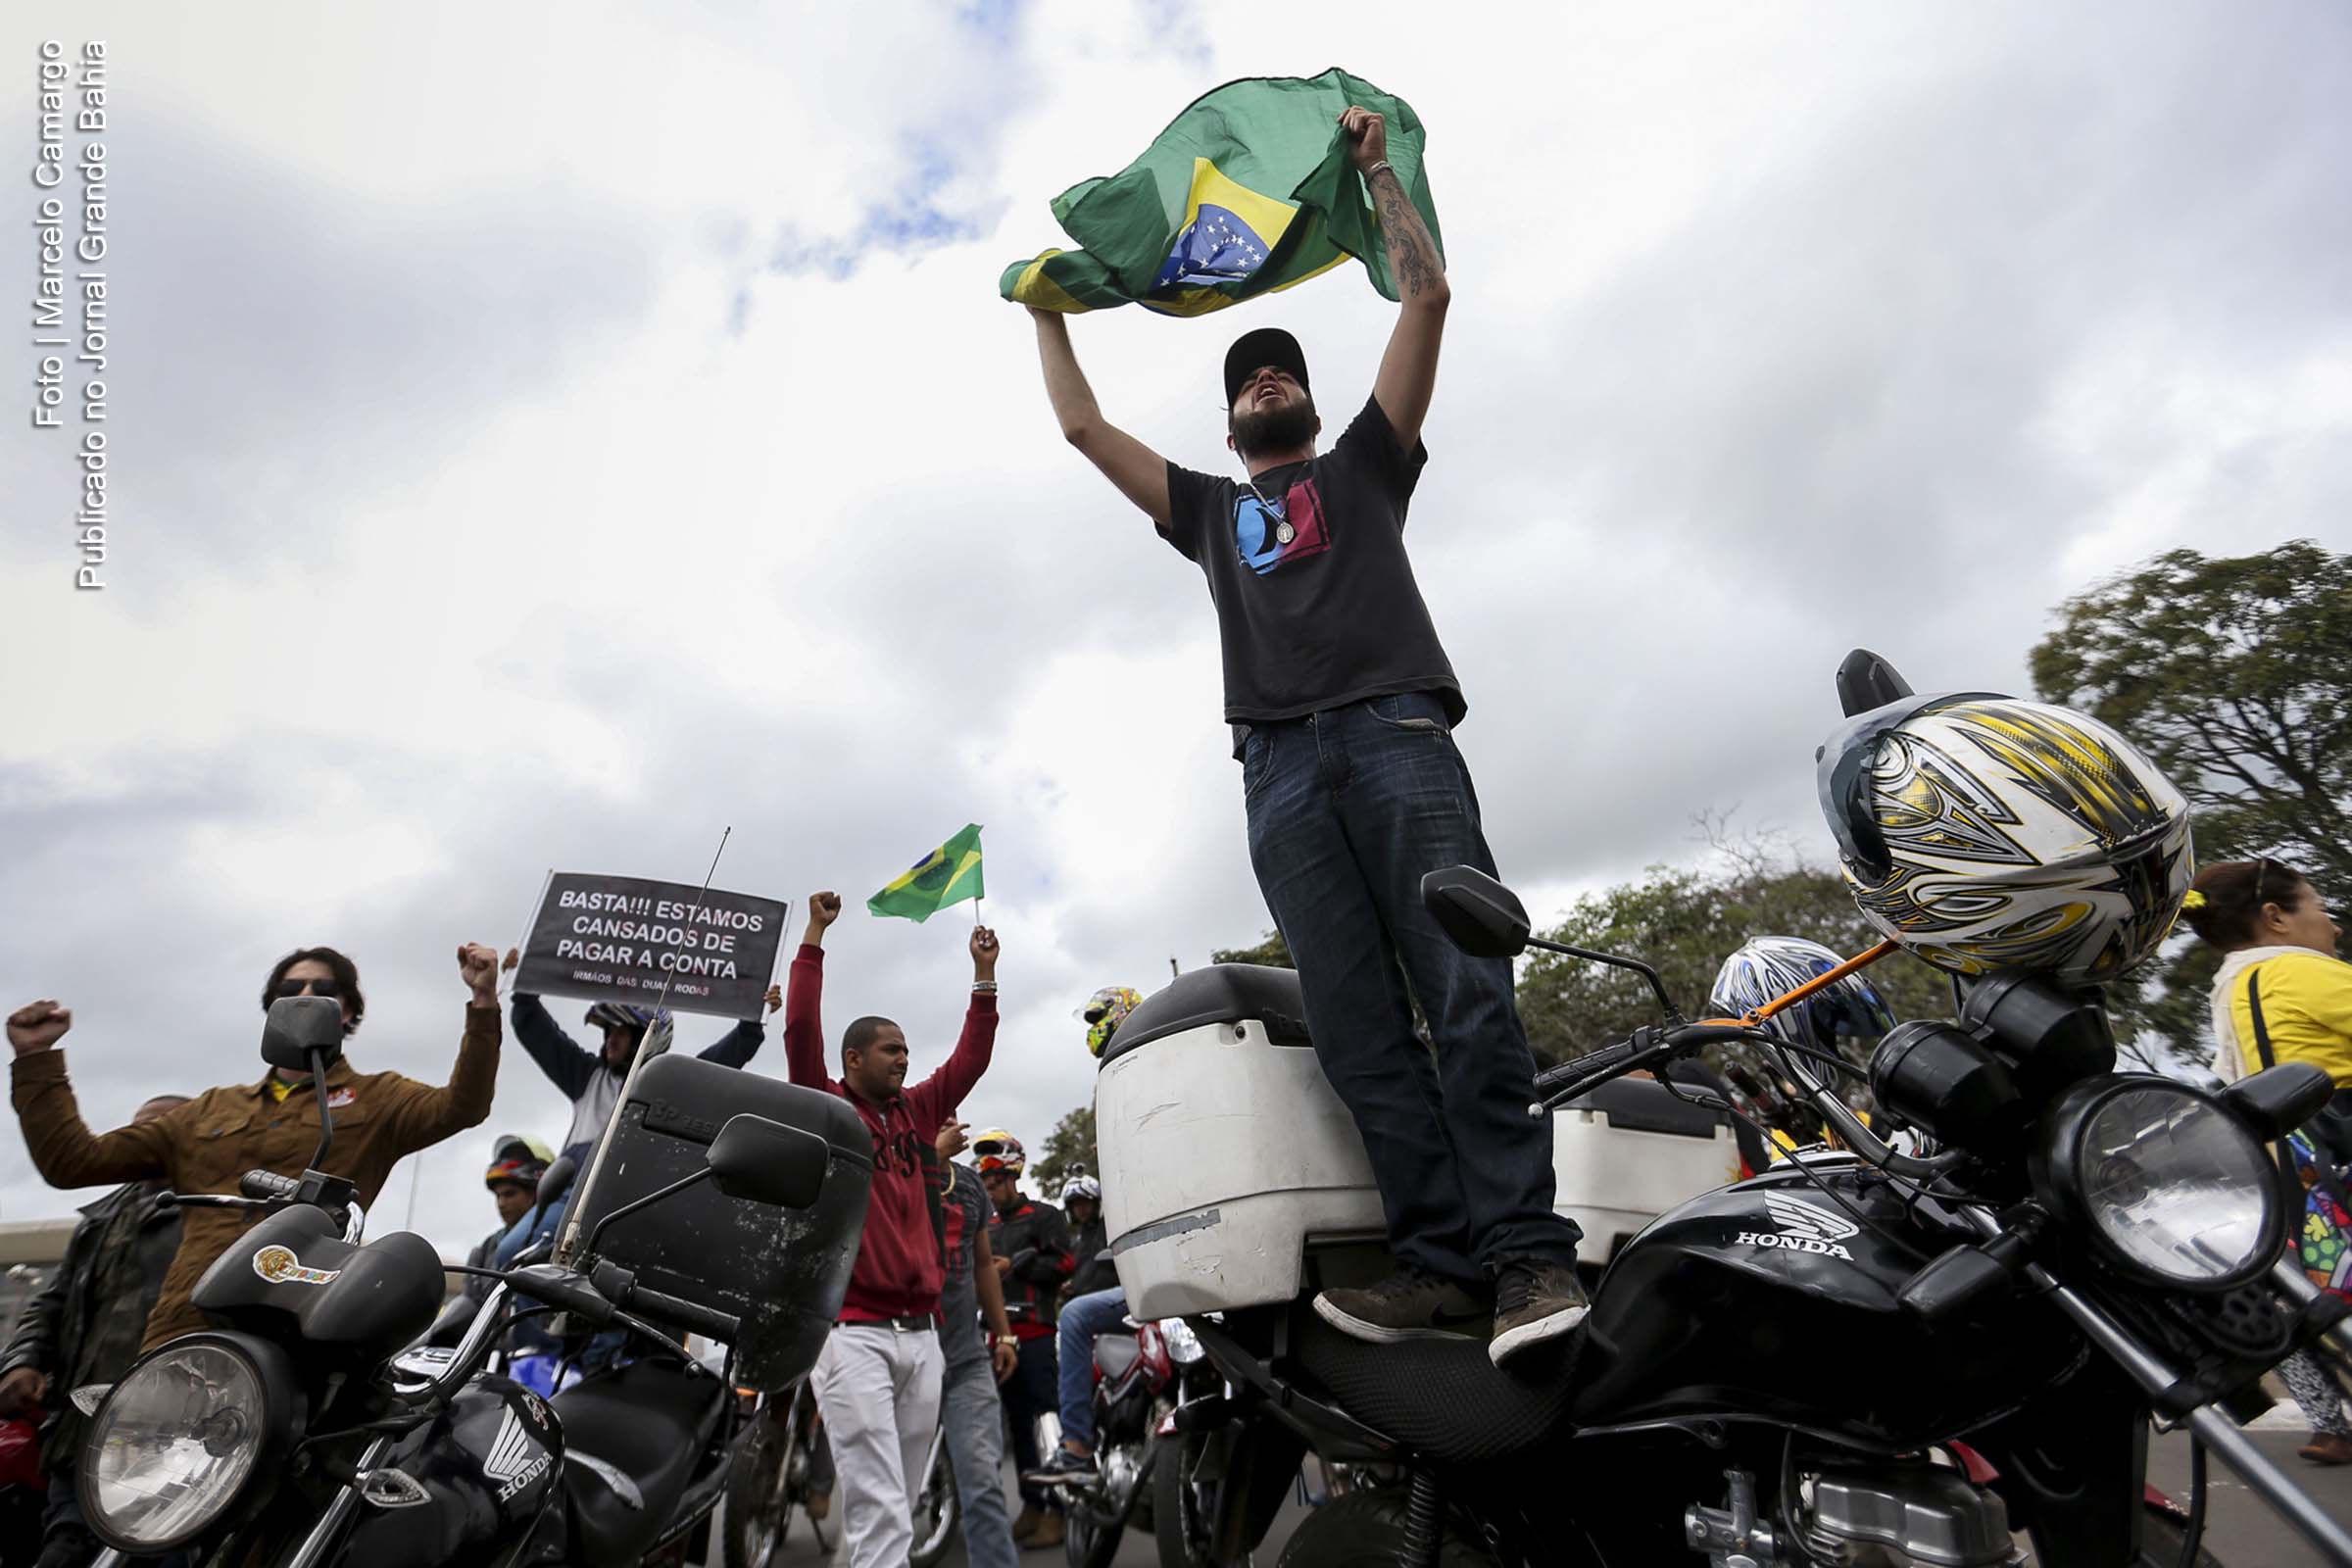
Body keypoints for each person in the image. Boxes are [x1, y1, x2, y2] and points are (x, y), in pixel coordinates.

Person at [1026, 105, 1587, 1364]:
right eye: (1243, 380)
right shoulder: (1214, 514)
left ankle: (1529, 1263)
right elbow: (1079, 429)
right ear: (1229, 429)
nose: (1263, 377)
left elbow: (1427, 296)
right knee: (1356, 1032)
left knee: (1467, 993)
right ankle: (1442, 1264)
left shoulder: (1366, 468)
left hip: (1398, 737)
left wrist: (1382, 174)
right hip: (1277, 773)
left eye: (1279, 368)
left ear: (1313, 405)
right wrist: (1046, 312)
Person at [7, 942, 503, 1351]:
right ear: (273, 1007)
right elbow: (72, 1163)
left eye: (325, 989)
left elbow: (461, 1107)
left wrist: (483, 1003)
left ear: (348, 1010)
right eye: (291, 988)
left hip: (300, 1323)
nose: (306, 994)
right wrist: (36, 1058)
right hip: (186, 1323)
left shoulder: (379, 1097)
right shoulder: (209, 1110)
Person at [783, 890, 1001, 1568]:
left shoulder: (918, 1108)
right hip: (853, 1337)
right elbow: (799, 1032)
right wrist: (815, 936)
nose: (904, 1060)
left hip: (923, 1338)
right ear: (853, 1061)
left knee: (894, 1511)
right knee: (882, 1514)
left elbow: (971, 1059)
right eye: (890, 1050)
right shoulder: (827, 1108)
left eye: (907, 1050)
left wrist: (984, 977)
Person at [2181, 857, 2352, 1464]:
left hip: (2281, 1166)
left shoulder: (2231, 983)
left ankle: (2330, 1423)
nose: (2332, 928)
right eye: (2322, 909)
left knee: (2296, 1294)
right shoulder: (2301, 972)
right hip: (2338, 1150)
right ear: (2275, 917)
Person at [0, 1093, 186, 1568]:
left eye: (157, 1126)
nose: (139, 1138)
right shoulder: (101, 1218)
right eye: (135, 1126)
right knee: (63, 1548)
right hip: (79, 1430)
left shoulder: (214, 1215)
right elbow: (53, 1302)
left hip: (169, 1437)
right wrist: (22, 1361)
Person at [504, 948, 778, 1165]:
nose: (611, 1038)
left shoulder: (669, 1082)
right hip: (571, 1195)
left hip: (631, 1195)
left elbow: (722, 1059)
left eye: (622, 1031)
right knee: (516, 1239)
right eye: (609, 1030)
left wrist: (752, 1021)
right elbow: (538, 1032)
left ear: (646, 1037)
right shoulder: (587, 1076)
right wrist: (525, 988)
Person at [928, 1119, 1022, 1568]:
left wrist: (1003, 1333)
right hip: (904, 1356)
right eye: (936, 1111)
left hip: (965, 1357)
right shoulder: (891, 1173)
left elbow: (983, 1263)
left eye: (952, 1112)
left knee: (983, 1481)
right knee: (886, 1498)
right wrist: (930, 1158)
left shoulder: (969, 1186)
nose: (948, 1120)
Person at [977, 1130, 1071, 1544]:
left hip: (1037, 1330)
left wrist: (1013, 1265)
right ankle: (1032, 1504)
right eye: (985, 1182)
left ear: (1012, 1174)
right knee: (1016, 1424)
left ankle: (1059, 1508)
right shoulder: (987, 1225)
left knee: (1046, 1416)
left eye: (995, 1181)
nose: (989, 1188)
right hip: (999, 1338)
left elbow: (1066, 1264)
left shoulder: (1046, 1215)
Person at [466, 1133, 552, 1305]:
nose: (501, 1203)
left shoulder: (557, 1242)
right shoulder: (484, 1251)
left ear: (535, 1194)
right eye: (498, 1196)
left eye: (510, 1194)